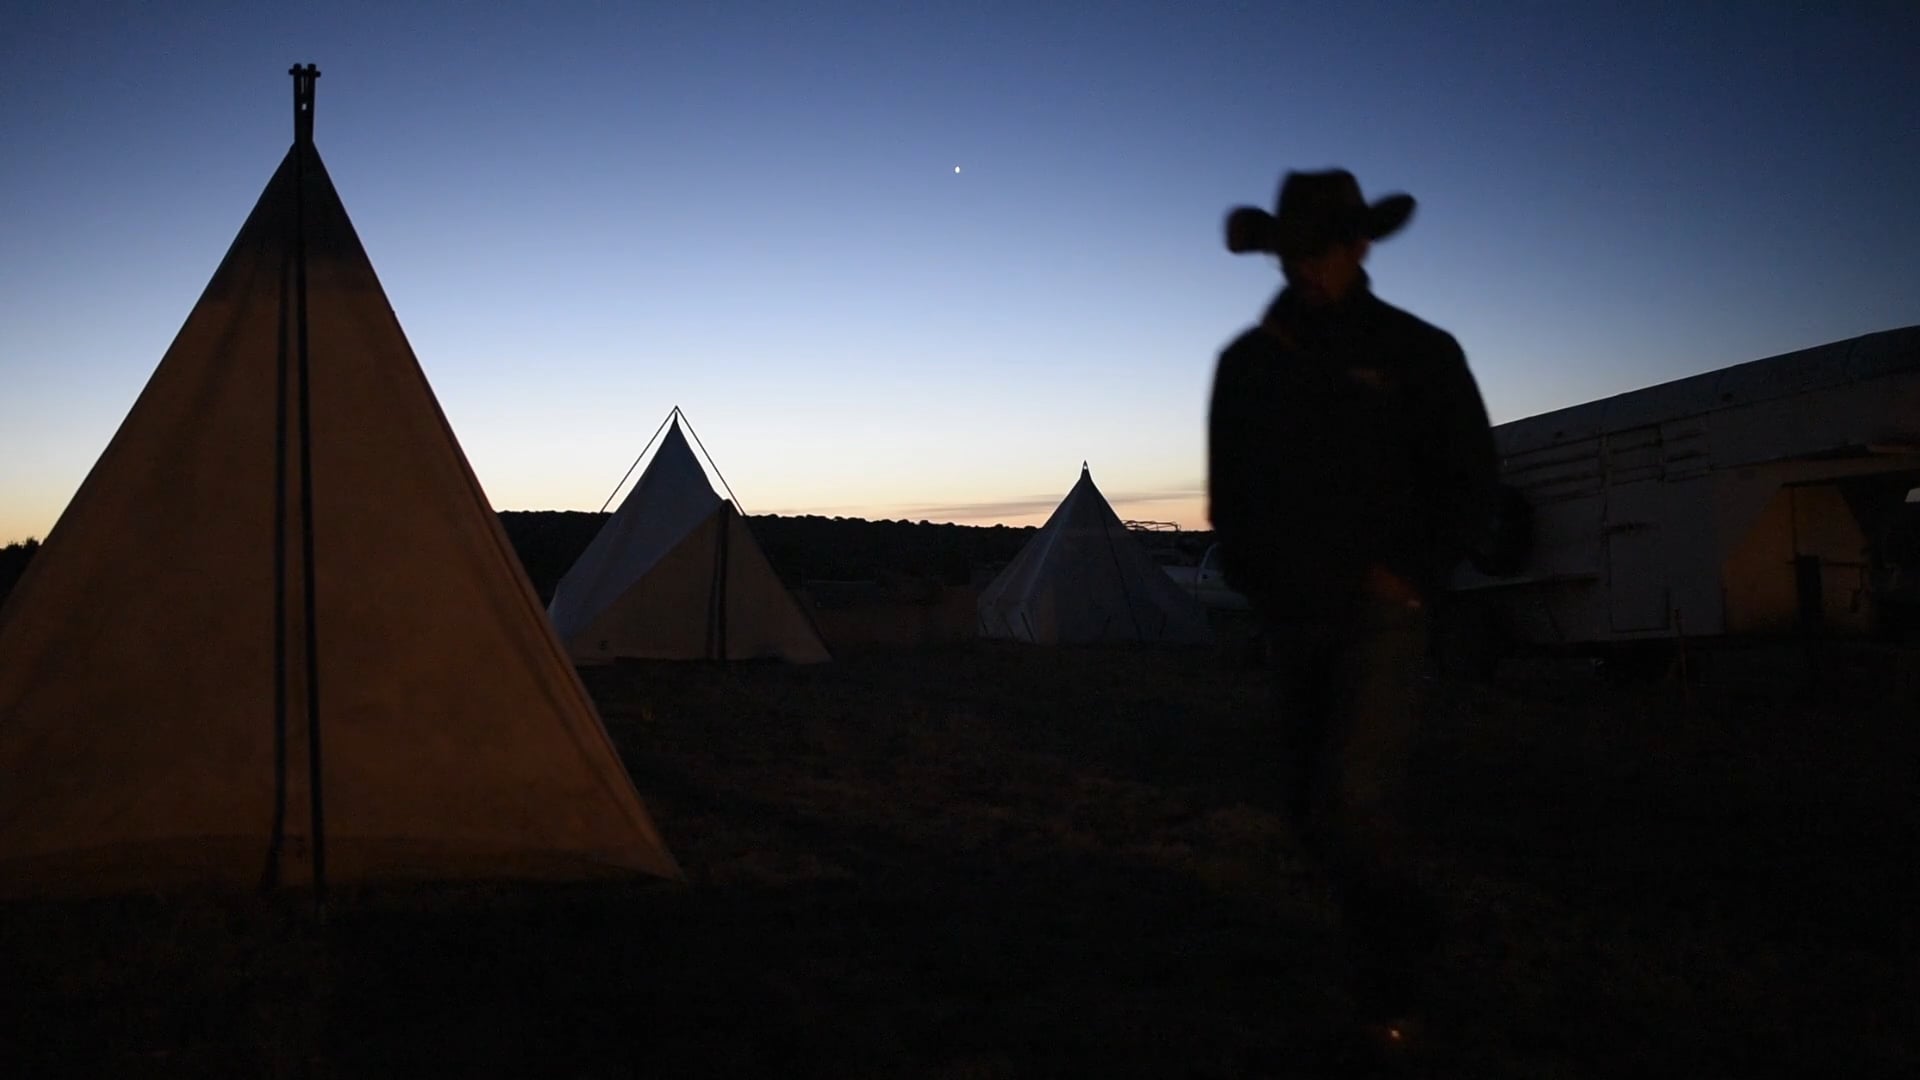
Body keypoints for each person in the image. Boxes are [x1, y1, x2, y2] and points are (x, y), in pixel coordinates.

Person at [1207, 169, 1499, 1053]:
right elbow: (1232, 494)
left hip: (1381, 613)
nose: (1306, 266)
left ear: (1360, 246)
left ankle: (1392, 989)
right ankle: (1401, 932)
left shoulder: (1416, 352)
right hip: (1293, 611)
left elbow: (1470, 479)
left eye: (1321, 249)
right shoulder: (1250, 364)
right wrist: (1260, 578)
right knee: (1309, 807)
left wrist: (1410, 574)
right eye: (1293, 251)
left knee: (1349, 801)